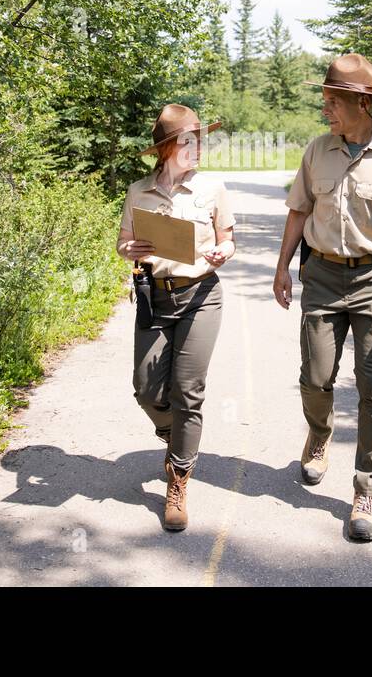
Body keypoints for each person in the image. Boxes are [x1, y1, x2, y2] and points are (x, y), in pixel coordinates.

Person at [272, 53, 372, 542]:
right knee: (316, 377)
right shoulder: (317, 151)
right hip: (320, 276)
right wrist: (282, 267)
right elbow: (298, 213)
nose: (326, 110)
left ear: (362, 102)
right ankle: (319, 436)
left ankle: (366, 491)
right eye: (325, 100)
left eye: (334, 101)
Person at [117, 103, 236, 531]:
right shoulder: (138, 192)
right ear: (168, 148)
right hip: (156, 297)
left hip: (202, 296)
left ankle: (179, 479)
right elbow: (124, 244)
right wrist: (129, 250)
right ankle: (174, 433)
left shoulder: (212, 189)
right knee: (146, 389)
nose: (198, 147)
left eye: (200, 139)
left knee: (189, 390)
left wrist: (225, 252)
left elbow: (228, 239)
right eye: (190, 140)